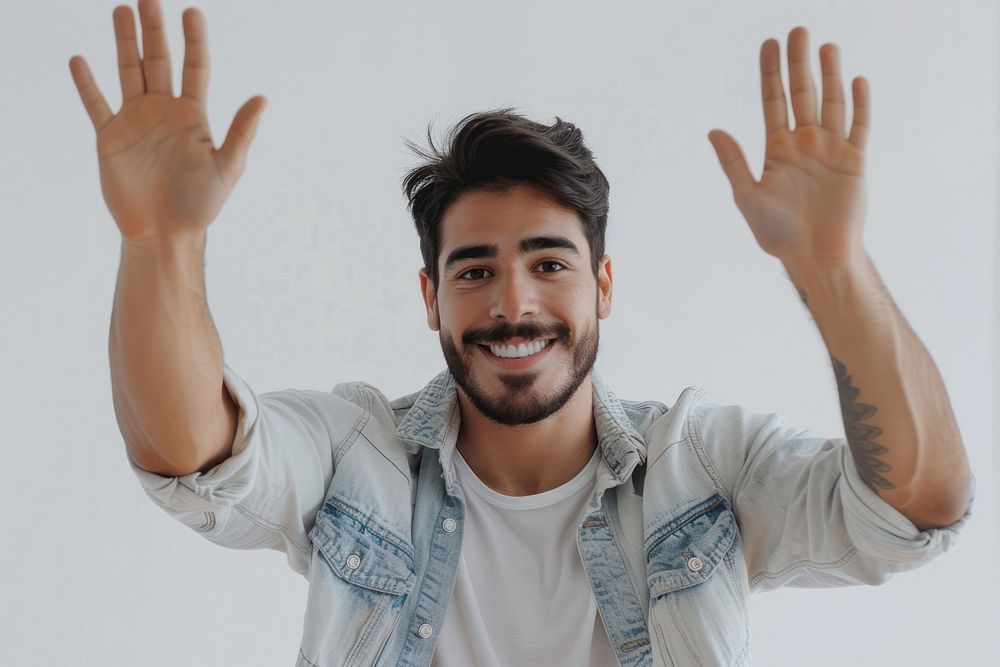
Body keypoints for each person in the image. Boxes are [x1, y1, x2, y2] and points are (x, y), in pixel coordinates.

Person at [70, 1, 975, 665]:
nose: (512, 304)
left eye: (549, 263)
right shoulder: (356, 456)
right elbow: (187, 452)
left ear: (603, 286)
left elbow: (915, 508)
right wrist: (160, 242)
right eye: (474, 270)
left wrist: (833, 269)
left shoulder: (704, 463)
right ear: (430, 297)